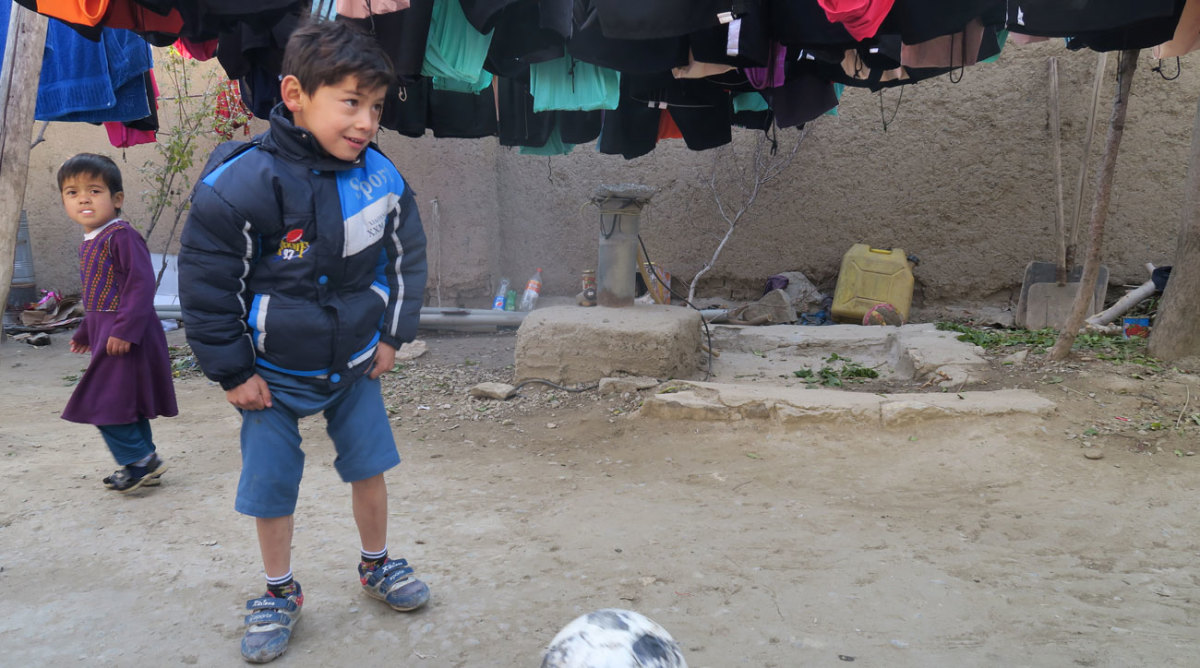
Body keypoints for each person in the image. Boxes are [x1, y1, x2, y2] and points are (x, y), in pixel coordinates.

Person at [177, 18, 429, 664]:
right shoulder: (240, 184)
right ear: (294, 94)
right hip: (272, 378)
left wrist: (393, 336)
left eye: (375, 107)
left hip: (352, 366)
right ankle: (278, 590)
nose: (367, 122)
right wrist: (233, 371)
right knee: (271, 484)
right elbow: (208, 288)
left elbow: (406, 260)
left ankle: (376, 565)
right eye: (350, 102)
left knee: (370, 468)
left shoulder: (382, 178)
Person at [59, 153, 177, 493]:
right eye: (72, 192)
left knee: (101, 401)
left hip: (128, 334)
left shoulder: (121, 236)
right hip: (107, 333)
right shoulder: (91, 240)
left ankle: (140, 460)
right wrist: (85, 329)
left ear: (117, 199)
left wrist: (125, 329)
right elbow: (100, 294)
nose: (83, 198)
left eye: (94, 190)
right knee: (124, 399)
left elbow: (141, 285)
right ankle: (142, 461)